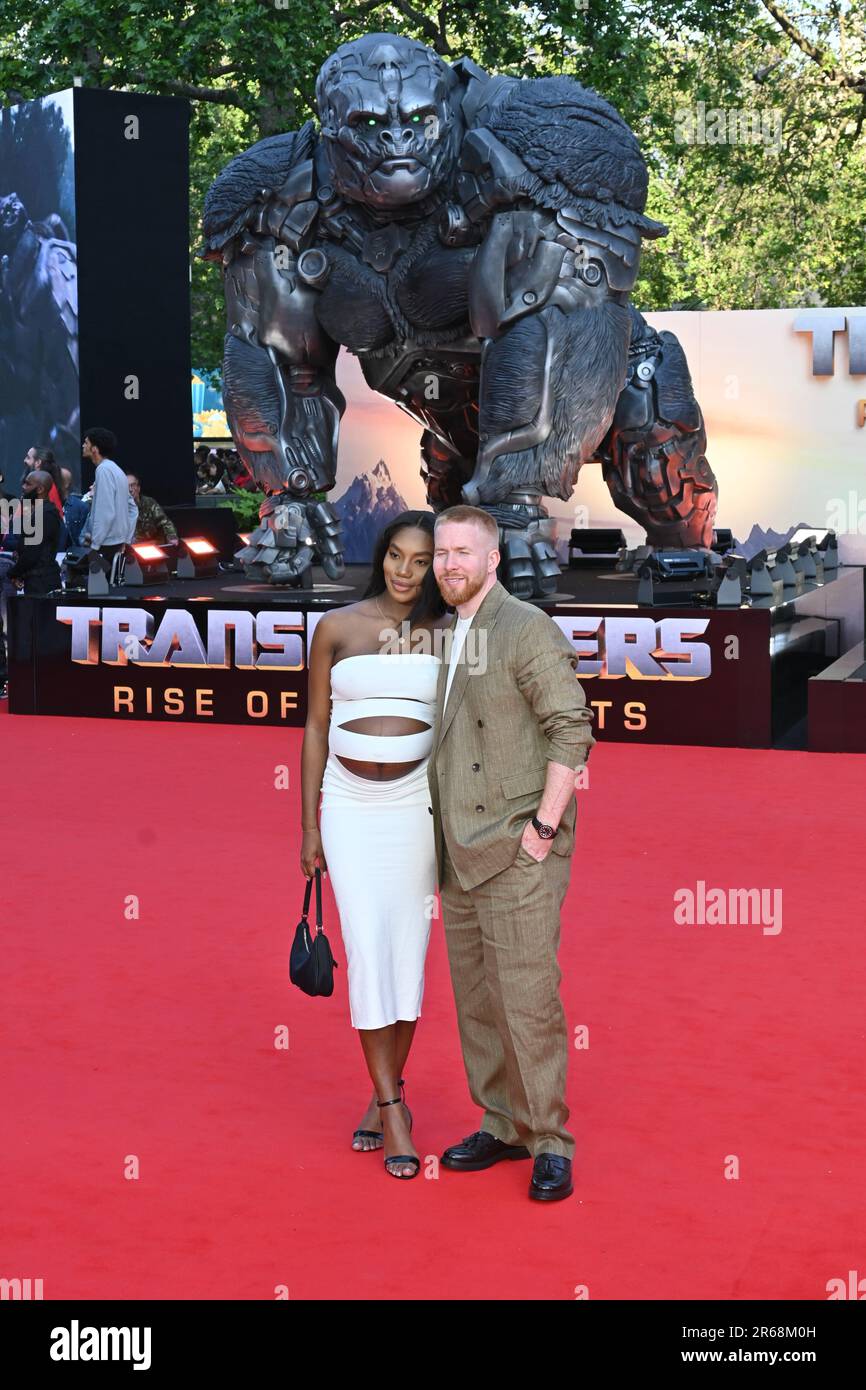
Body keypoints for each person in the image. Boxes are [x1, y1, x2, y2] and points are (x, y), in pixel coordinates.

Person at [428, 505, 596, 1204]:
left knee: (526, 998)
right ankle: (501, 1121)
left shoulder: (526, 628)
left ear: (492, 560)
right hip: (458, 850)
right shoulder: (438, 634)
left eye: (463, 553)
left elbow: (572, 731)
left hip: (519, 843)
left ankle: (550, 1141)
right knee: (476, 998)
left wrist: (544, 830)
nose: (449, 565)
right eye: (442, 553)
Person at [300, 511, 452, 1180]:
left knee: (407, 953)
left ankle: (381, 1092)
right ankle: (393, 1107)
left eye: (420, 561)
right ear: (381, 556)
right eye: (396, 555)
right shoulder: (337, 627)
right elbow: (313, 727)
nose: (404, 570)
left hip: (415, 808)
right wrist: (309, 824)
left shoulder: (447, 639)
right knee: (366, 948)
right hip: (351, 808)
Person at [80, 428, 138, 584]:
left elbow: (105, 512)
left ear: (95, 449)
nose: (83, 446)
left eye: (86, 443)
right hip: (116, 544)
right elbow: (133, 509)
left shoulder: (103, 470)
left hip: (104, 546)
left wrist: (95, 545)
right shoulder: (116, 470)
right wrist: (125, 539)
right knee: (113, 591)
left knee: (100, 594)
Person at [7, 469, 62, 595]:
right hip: (34, 580)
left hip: (43, 583)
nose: (23, 487)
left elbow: (32, 554)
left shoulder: (46, 514)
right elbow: (24, 546)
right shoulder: (35, 512)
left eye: (28, 484)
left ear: (40, 489)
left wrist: (13, 573)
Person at [127, 474, 178, 545]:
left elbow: (165, 522)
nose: (130, 489)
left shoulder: (149, 503)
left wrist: (172, 537)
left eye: (132, 485)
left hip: (151, 547)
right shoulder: (119, 507)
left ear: (138, 488)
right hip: (130, 548)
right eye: (126, 486)